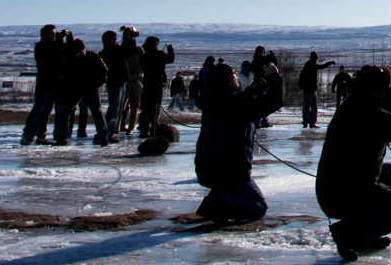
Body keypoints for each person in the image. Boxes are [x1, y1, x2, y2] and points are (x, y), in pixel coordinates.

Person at [316, 66, 391, 261]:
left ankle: (364, 236)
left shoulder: (355, 104)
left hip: (334, 188)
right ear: (377, 89)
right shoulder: (367, 111)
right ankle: (348, 234)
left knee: (387, 171)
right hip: (341, 195)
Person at [193, 57, 284, 224]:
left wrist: (254, 90)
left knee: (225, 186)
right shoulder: (237, 103)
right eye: (233, 74)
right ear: (228, 80)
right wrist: (274, 77)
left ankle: (215, 203)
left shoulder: (212, 100)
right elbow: (274, 101)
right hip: (232, 172)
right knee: (257, 208)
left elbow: (235, 101)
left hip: (207, 168)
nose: (236, 76)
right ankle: (221, 207)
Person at [54, 37, 112, 146]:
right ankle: (62, 138)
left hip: (91, 89)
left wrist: (95, 84)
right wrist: (65, 90)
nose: (81, 53)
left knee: (97, 113)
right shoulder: (69, 60)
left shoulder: (93, 57)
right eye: (78, 52)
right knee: (65, 112)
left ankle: (104, 138)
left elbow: (104, 72)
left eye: (82, 50)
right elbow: (64, 77)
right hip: (74, 90)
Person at [20, 25, 61, 145]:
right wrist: (58, 42)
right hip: (44, 82)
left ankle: (41, 134)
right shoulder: (41, 46)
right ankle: (28, 134)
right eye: (52, 33)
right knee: (39, 108)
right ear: (45, 35)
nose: (54, 35)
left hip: (53, 82)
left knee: (46, 109)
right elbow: (50, 58)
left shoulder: (54, 46)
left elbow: (60, 55)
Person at [99, 29, 137, 139]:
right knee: (114, 108)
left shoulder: (115, 50)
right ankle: (105, 134)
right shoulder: (109, 51)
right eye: (114, 38)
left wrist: (131, 38)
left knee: (118, 109)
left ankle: (108, 133)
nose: (116, 40)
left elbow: (130, 51)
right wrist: (126, 38)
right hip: (115, 82)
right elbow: (124, 51)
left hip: (121, 82)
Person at [136, 37, 175, 136]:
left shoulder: (144, 56)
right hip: (157, 84)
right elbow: (170, 59)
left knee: (146, 108)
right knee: (154, 108)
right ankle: (153, 127)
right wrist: (170, 48)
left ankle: (144, 128)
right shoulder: (159, 55)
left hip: (148, 84)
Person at [297, 52, 335, 128]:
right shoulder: (311, 64)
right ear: (314, 58)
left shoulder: (308, 64)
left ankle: (308, 122)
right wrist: (330, 63)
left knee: (308, 106)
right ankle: (310, 122)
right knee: (311, 106)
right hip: (310, 89)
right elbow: (322, 66)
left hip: (310, 89)